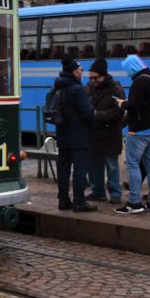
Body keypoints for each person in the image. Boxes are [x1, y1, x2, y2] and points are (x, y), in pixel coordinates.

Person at [116, 55, 150, 214]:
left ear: (132, 67)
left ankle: (134, 203)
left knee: (133, 165)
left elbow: (134, 105)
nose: (127, 73)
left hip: (140, 130)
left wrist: (122, 103)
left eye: (127, 69)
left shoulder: (139, 82)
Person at [53, 55, 97, 212]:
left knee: (63, 170)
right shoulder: (77, 89)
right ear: (74, 72)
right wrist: (93, 122)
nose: (82, 72)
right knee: (80, 170)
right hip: (79, 136)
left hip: (63, 135)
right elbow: (87, 113)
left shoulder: (58, 87)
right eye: (80, 70)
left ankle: (63, 200)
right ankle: (79, 202)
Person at [85, 58, 125, 204]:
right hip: (93, 134)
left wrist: (96, 114)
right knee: (93, 166)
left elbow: (118, 112)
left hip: (110, 134)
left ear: (104, 75)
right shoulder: (88, 87)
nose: (93, 80)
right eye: (90, 78)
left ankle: (115, 194)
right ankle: (97, 192)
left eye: (96, 78)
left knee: (112, 166)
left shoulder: (116, 89)